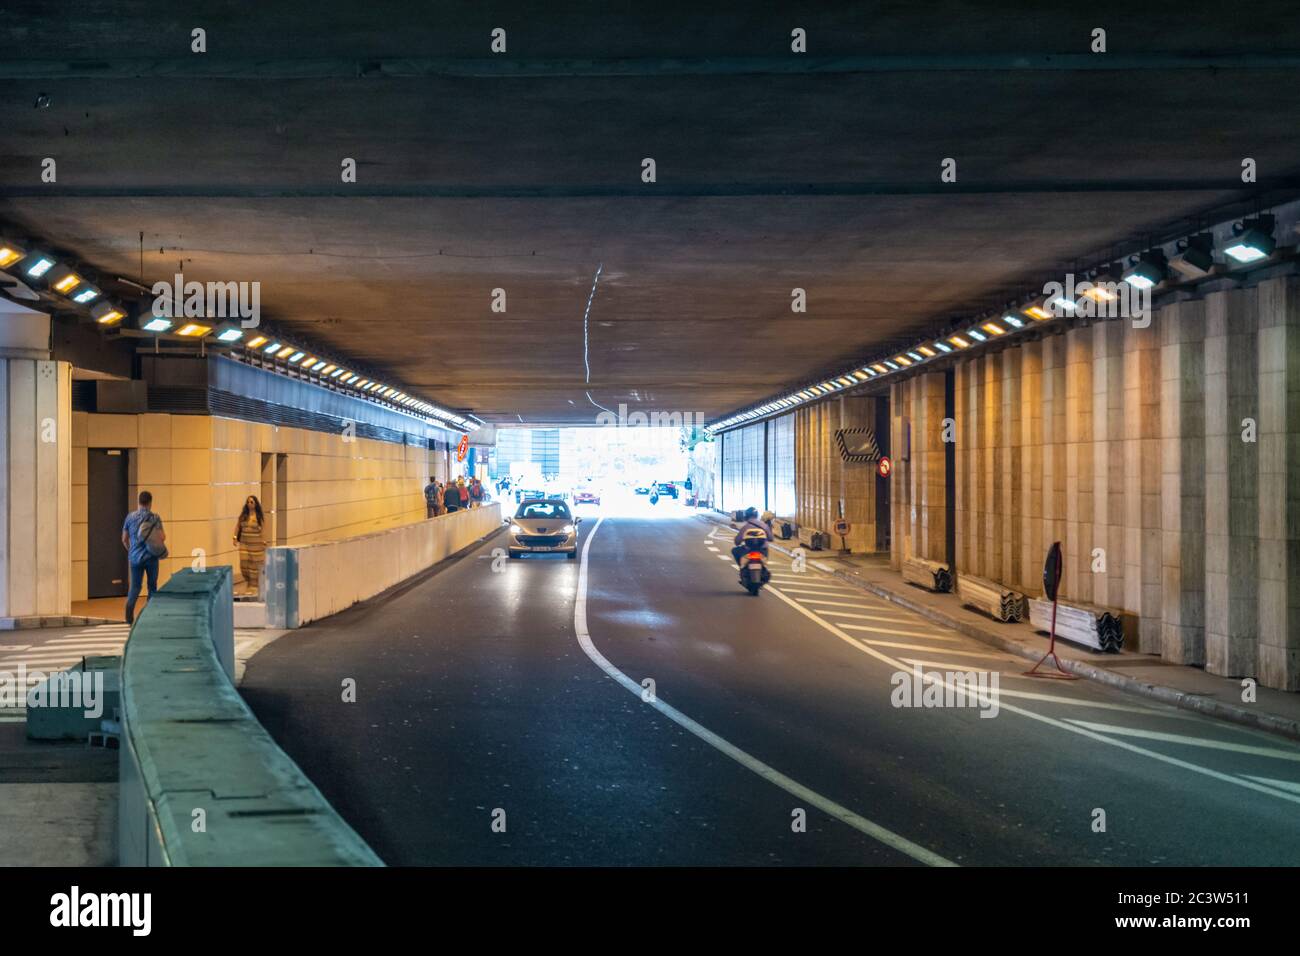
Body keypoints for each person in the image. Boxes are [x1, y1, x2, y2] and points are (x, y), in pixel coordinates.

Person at [122, 490, 166, 625]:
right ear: (150, 503)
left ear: (139, 502)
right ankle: (149, 616)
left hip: (134, 558)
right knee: (152, 587)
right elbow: (162, 537)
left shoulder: (130, 517)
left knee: (135, 587)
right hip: (151, 558)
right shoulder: (155, 518)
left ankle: (129, 617)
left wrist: (131, 550)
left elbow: (124, 538)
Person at [231, 495, 267, 596]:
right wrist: (234, 538)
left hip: (256, 545)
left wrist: (264, 541)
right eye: (248, 502)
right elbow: (237, 527)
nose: (249, 504)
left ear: (256, 504)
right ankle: (248, 581)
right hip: (244, 543)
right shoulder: (243, 516)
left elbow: (263, 530)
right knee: (244, 563)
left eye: (251, 502)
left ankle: (254, 585)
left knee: (254, 565)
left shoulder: (259, 517)